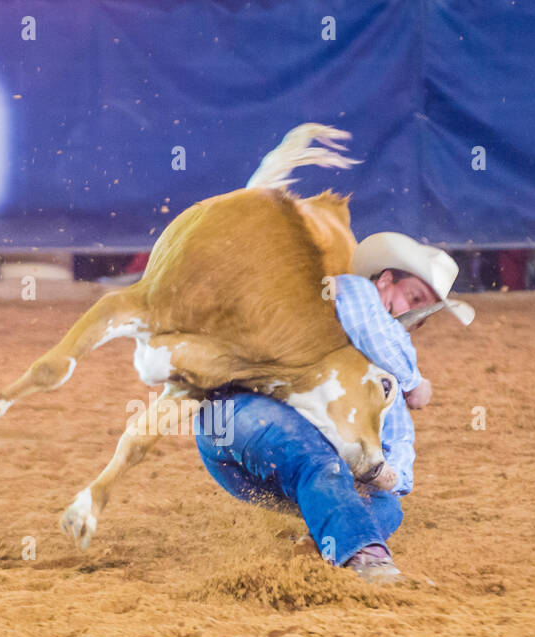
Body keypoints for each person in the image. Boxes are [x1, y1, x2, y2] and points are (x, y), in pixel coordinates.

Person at [193, 232, 467, 583]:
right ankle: (365, 560)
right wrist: (413, 382)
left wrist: (387, 474)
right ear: (384, 281)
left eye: (420, 316)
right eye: (412, 297)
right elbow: (370, 326)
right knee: (323, 464)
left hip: (251, 451)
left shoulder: (387, 369)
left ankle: (321, 543)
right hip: (239, 410)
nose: (409, 315)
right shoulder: (353, 294)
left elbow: (399, 447)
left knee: (386, 506)